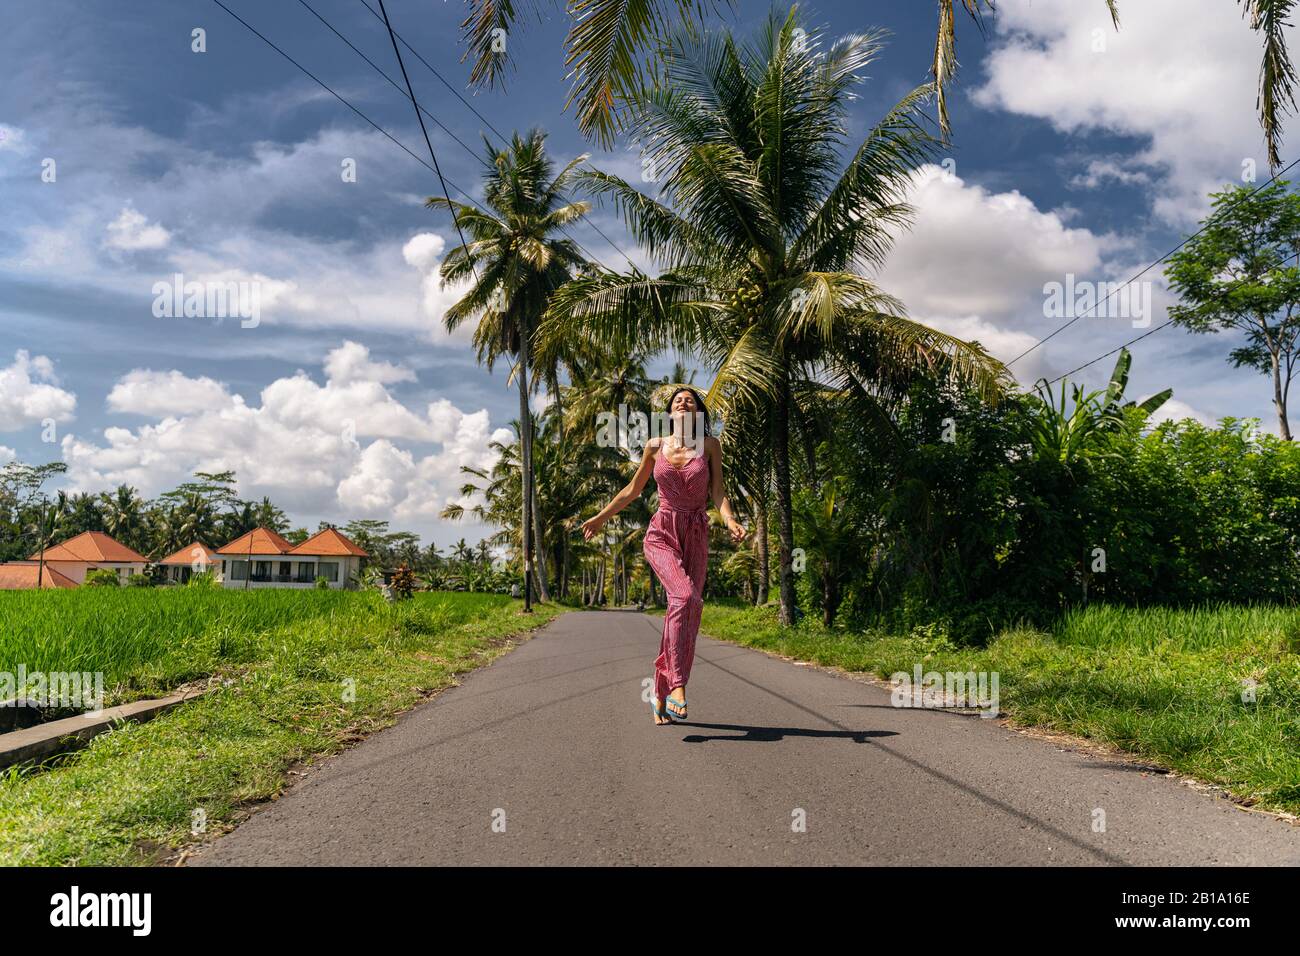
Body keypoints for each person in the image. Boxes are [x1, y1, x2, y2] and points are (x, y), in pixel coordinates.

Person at [581, 387, 746, 724]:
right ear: (670, 413)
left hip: (697, 534)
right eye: (677, 401)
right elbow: (632, 489)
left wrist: (730, 519)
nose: (683, 403)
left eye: (690, 400)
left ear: (699, 413)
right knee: (684, 597)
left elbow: (718, 492)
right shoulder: (656, 447)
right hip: (662, 533)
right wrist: (601, 518)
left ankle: (659, 693)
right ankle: (677, 686)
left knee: (689, 609)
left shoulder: (710, 446)